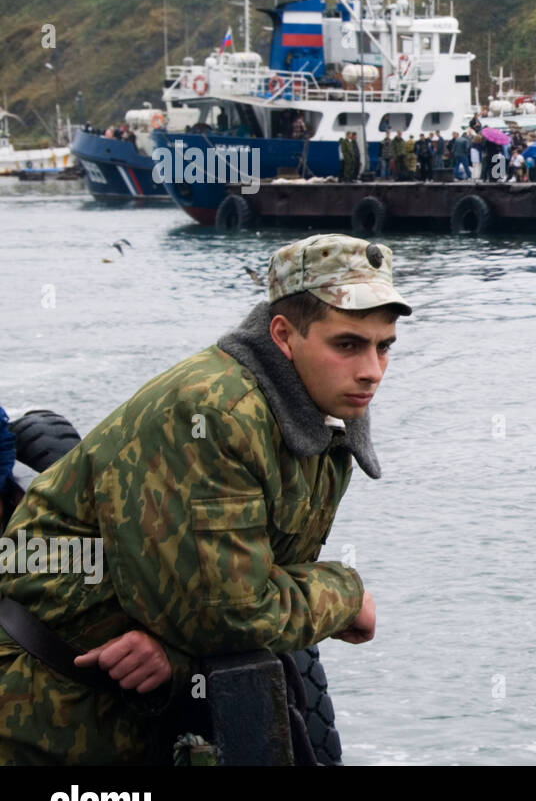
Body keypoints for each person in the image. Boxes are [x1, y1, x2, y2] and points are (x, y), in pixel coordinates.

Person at [0, 234, 410, 765]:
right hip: (44, 708)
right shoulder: (217, 413)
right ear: (284, 336)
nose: (372, 371)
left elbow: (239, 586)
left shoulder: (320, 414)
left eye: (384, 347)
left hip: (139, 704)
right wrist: (344, 592)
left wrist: (175, 649)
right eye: (348, 344)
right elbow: (232, 612)